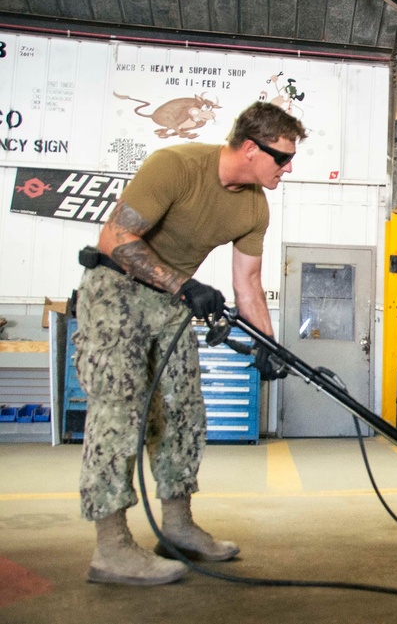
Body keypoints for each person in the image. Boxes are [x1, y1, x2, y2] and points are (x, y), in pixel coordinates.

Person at [73, 101, 307, 586]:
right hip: (116, 290)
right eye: (282, 158)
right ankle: (111, 548)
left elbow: (249, 284)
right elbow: (115, 237)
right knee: (119, 411)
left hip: (172, 302)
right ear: (250, 147)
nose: (288, 167)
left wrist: (270, 346)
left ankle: (177, 527)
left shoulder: (254, 206)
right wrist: (183, 285)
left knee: (182, 411)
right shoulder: (175, 166)